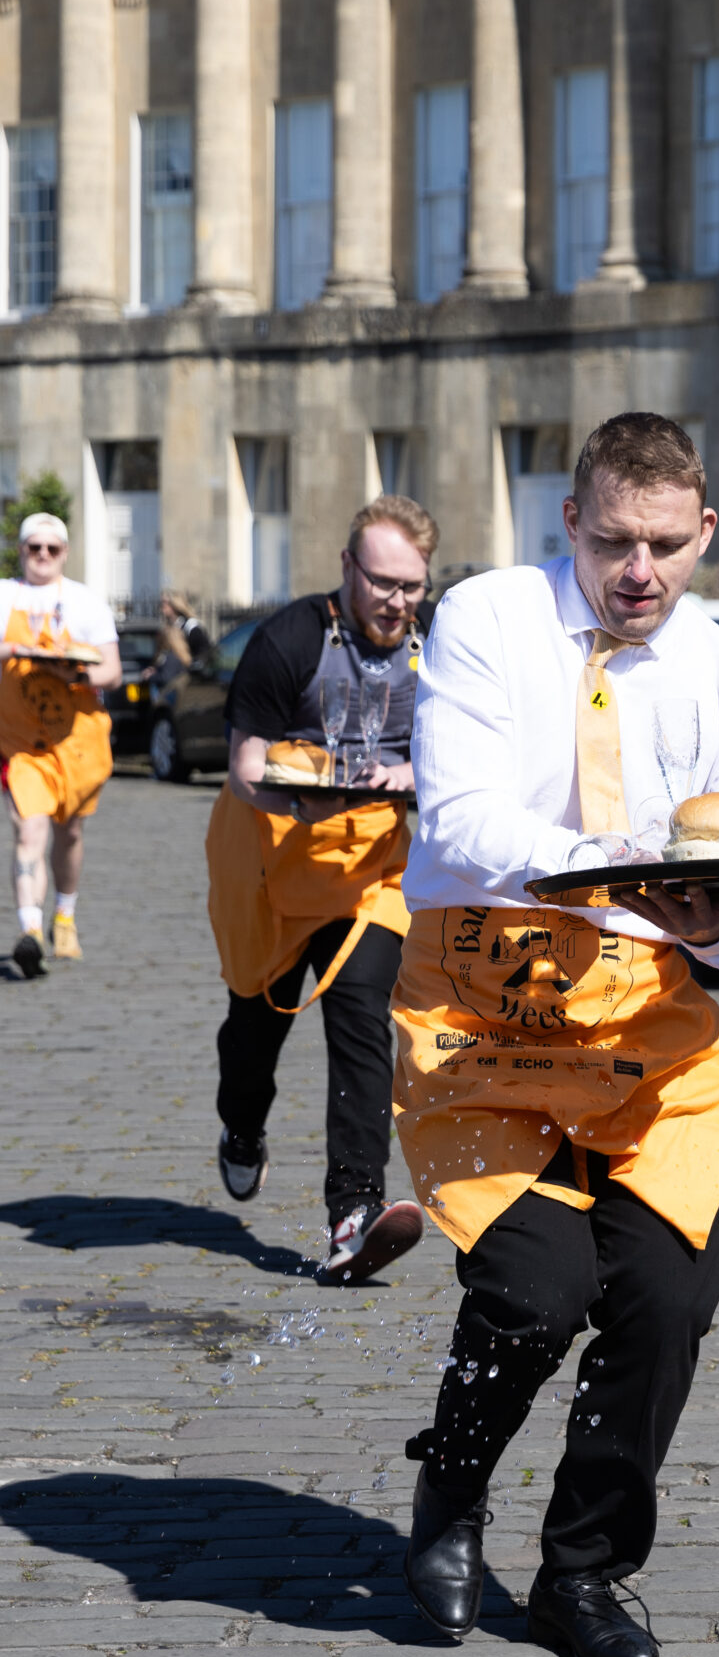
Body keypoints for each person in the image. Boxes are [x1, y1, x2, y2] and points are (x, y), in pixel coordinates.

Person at [392, 413, 719, 1657]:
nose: (638, 571)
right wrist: (616, 870)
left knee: (664, 1305)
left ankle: (584, 1573)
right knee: (533, 1291)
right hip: (482, 1018)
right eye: (614, 540)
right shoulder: (488, 619)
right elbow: (458, 820)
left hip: (650, 1041)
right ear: (568, 520)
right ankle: (452, 1485)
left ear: (704, 532)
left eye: (665, 546)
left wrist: (717, 921)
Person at [205, 494, 437, 1284]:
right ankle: (241, 1128)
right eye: (382, 582)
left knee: (363, 1017)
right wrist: (299, 801)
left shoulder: (437, 646)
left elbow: (468, 751)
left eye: (411, 586)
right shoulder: (289, 639)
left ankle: (355, 1212)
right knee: (253, 1031)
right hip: (270, 856)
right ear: (346, 567)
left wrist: (415, 774)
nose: (397, 601)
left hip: (369, 870)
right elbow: (246, 768)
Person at [0, 511, 122, 977]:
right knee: (28, 830)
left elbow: (111, 671)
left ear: (65, 553)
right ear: (22, 550)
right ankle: (29, 930)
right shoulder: (5, 596)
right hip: (21, 743)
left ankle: (64, 916)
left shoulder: (85, 603)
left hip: (76, 741)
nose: (43, 555)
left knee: (69, 833)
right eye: (34, 547)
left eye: (52, 548)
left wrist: (72, 672)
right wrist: (17, 651)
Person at [145, 590, 210, 689]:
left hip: (187, 679)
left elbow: (203, 652)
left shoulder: (190, 626)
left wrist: (192, 668)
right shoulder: (170, 625)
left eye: (164, 603)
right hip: (174, 677)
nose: (161, 606)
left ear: (174, 605)